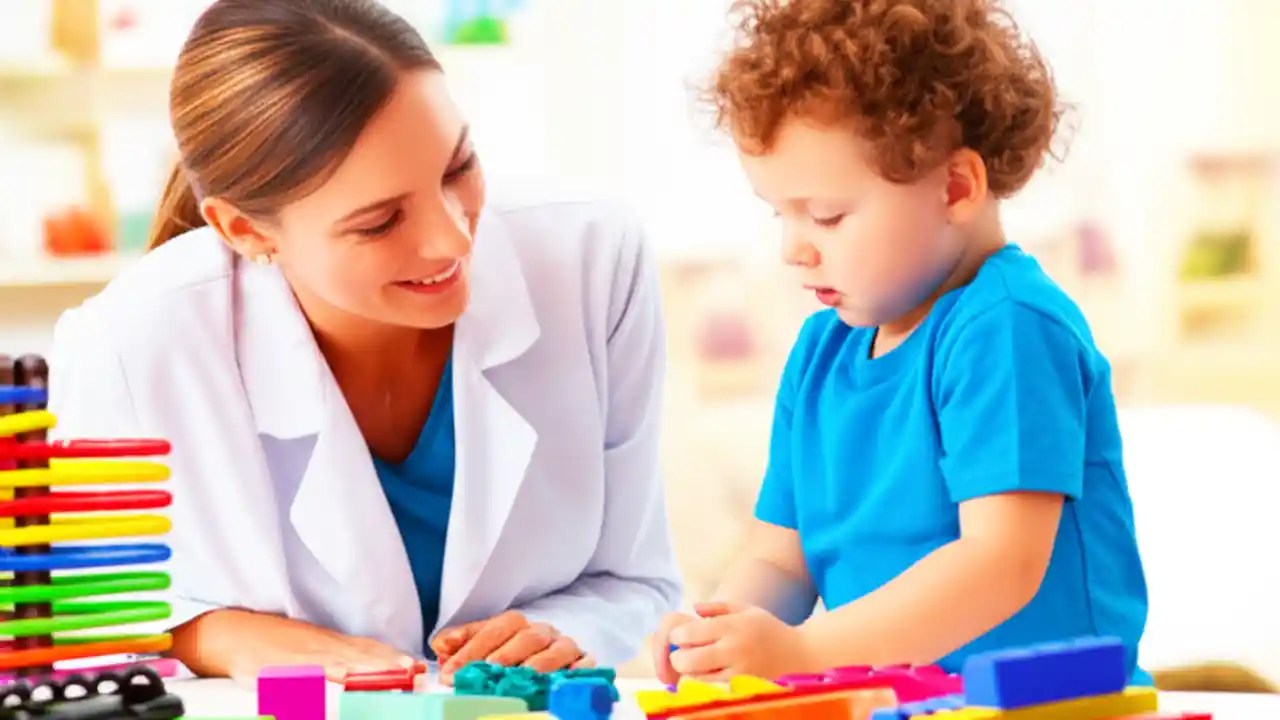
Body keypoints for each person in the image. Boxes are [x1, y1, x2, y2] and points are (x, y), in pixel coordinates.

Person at [46, 0, 680, 683]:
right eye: (379, 222)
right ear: (244, 230)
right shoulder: (129, 345)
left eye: (457, 167)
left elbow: (639, 582)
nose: (453, 239)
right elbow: (78, 636)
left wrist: (563, 635)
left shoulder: (590, 261)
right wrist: (215, 638)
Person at [653, 0, 1148, 683]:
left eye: (827, 216)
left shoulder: (1006, 327)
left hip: (1048, 700)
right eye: (780, 214)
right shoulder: (819, 354)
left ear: (954, 187)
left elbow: (999, 564)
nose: (794, 249)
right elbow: (779, 560)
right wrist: (719, 630)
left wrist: (803, 652)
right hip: (893, 697)